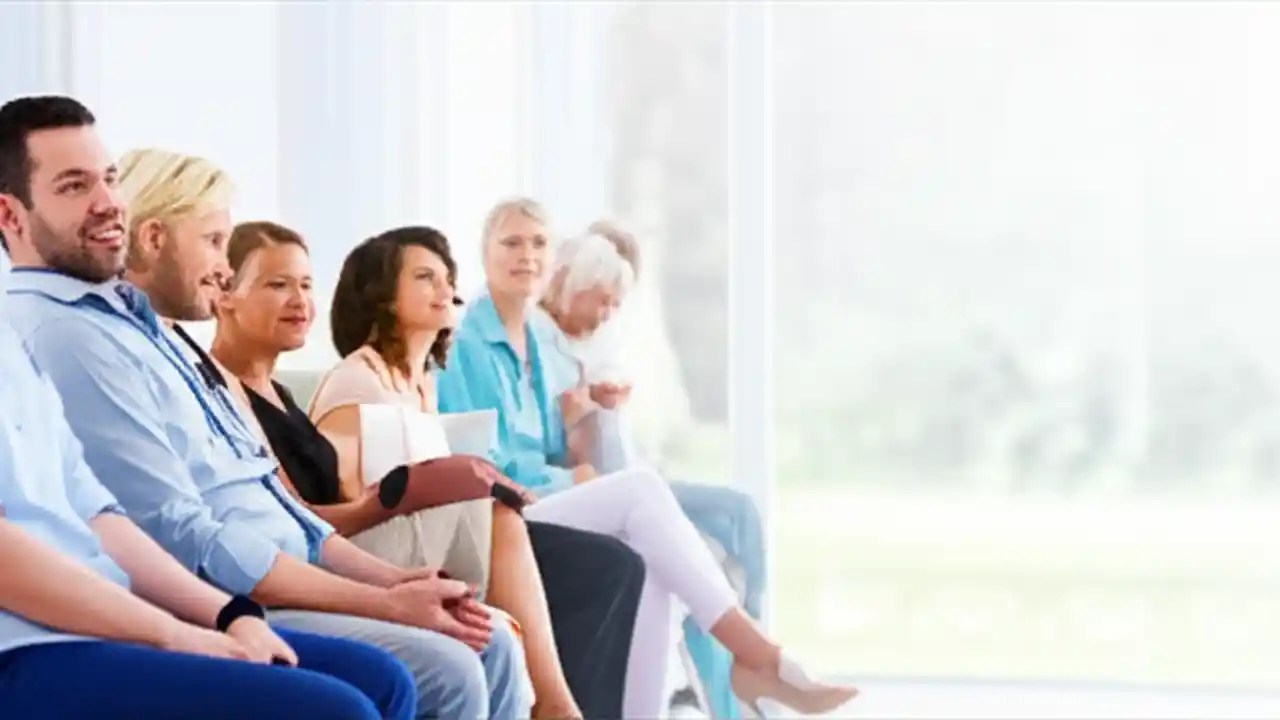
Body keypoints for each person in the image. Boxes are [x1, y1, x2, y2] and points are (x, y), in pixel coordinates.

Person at [1, 99, 527, 720]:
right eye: (73, 186)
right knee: (392, 685)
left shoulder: (117, 328)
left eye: (108, 179)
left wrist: (234, 616)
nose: (108, 202)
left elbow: (100, 511)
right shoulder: (60, 334)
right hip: (51, 636)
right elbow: (171, 527)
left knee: (415, 668)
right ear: (11, 216)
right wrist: (192, 631)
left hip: (144, 604)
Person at [435, 197, 860, 719]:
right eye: (512, 243)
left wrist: (584, 425)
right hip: (504, 522)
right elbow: (485, 469)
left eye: (539, 243)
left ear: (553, 257)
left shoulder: (538, 347)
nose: (527, 255)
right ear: (485, 254)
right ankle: (756, 657)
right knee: (640, 490)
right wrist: (576, 476)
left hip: (544, 502)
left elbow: (552, 449)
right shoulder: (464, 343)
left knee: (654, 563)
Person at [211, 220, 644, 719]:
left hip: (343, 546)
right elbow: (305, 519)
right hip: (317, 561)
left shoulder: (277, 393)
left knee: (598, 565)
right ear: (225, 292)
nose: (299, 300)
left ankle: (566, 703)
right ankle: (557, 706)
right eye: (277, 284)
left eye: (306, 285)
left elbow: (308, 515)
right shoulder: (242, 392)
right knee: (504, 515)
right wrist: (407, 495)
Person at [535, 219, 767, 719]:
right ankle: (746, 669)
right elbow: (581, 464)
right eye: (601, 299)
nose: (608, 313)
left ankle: (746, 665)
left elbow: (616, 460)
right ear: (569, 285)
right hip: (590, 491)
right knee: (682, 555)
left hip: (623, 481)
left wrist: (608, 415)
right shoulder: (537, 347)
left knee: (734, 515)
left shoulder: (591, 347)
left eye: (616, 303)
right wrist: (585, 427)